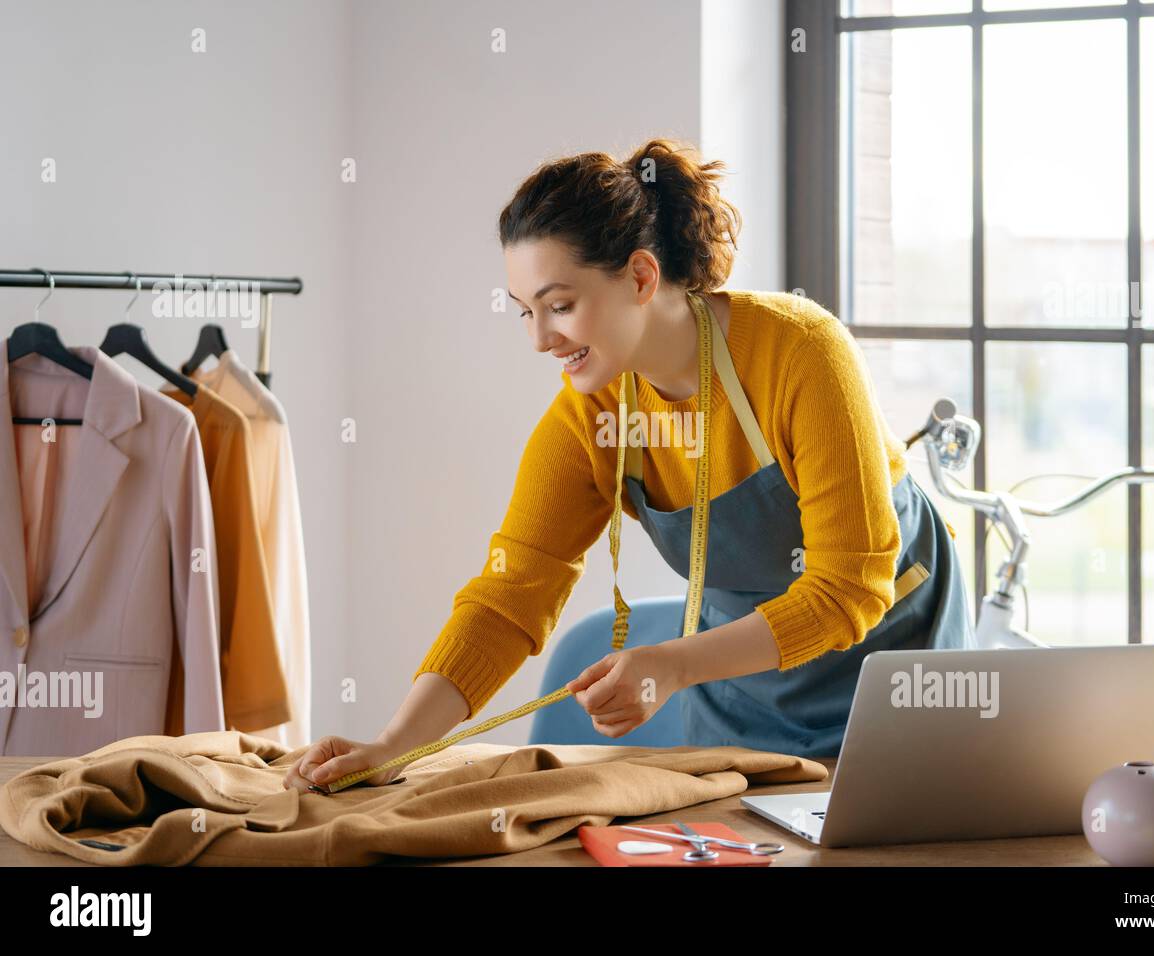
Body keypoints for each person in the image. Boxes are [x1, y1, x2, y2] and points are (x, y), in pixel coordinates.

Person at [284, 137, 972, 793]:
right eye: (524, 313)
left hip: (893, 661)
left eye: (560, 306)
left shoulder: (802, 355)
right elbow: (509, 594)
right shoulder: (590, 417)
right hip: (740, 686)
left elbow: (848, 588)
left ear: (642, 275)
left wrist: (672, 665)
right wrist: (397, 744)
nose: (540, 339)